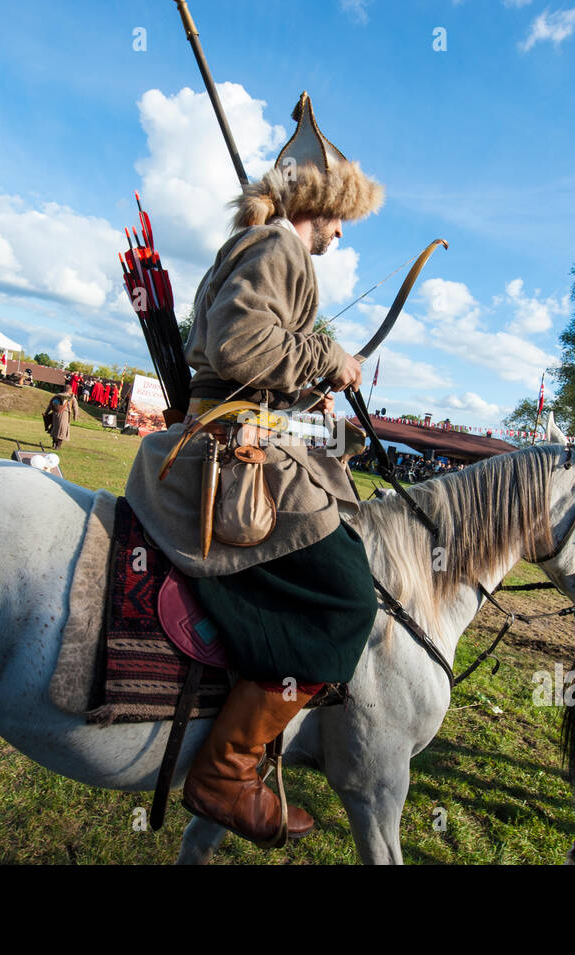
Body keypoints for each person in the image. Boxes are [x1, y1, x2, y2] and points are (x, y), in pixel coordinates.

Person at [123, 92, 383, 847]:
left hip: (240, 444)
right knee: (346, 600)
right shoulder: (280, 249)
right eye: (340, 217)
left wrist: (312, 390)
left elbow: (252, 361)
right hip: (230, 469)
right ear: (319, 203)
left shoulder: (267, 249)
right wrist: (331, 357)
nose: (340, 231)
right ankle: (225, 770)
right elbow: (239, 348)